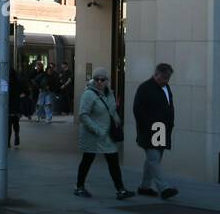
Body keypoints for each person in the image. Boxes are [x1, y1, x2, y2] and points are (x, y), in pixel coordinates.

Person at [75, 67, 134, 199]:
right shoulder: (88, 94)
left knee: (113, 162)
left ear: (107, 81)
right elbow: (83, 115)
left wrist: (117, 121)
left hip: (107, 135)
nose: (99, 82)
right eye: (96, 79)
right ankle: (79, 187)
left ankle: (121, 190)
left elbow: (111, 111)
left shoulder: (110, 93)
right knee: (87, 160)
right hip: (92, 135)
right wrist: (97, 130)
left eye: (102, 79)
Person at [133, 63, 178, 200]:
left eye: (168, 78)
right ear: (156, 74)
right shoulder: (145, 88)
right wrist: (148, 126)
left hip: (161, 129)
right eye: (164, 78)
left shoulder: (165, 87)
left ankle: (144, 187)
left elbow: (169, 106)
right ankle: (163, 188)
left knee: (153, 160)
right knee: (154, 159)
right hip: (150, 129)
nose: (166, 81)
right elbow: (138, 110)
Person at [8, 68, 23, 148]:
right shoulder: (18, 81)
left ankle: (8, 141)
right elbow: (24, 91)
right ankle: (16, 135)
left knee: (8, 124)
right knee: (16, 123)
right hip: (16, 106)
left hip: (9, 106)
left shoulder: (7, 82)